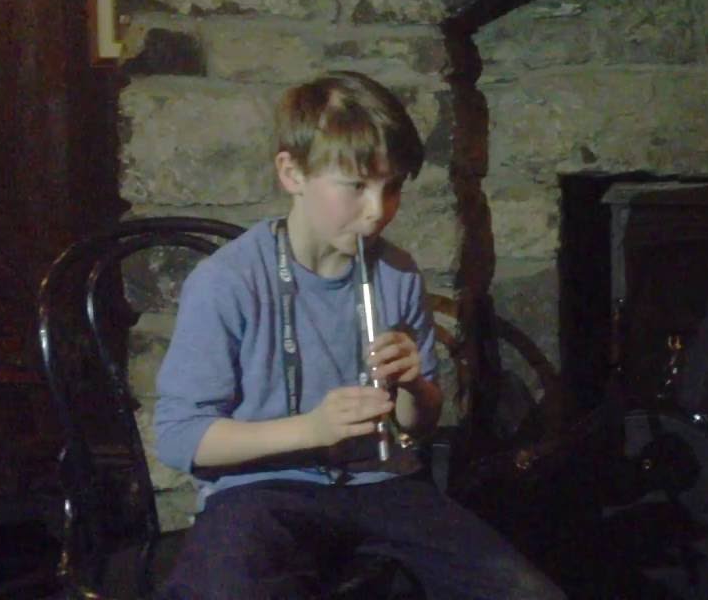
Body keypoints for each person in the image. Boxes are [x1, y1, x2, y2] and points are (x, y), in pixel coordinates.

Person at [153, 71, 565, 599]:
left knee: (525, 591)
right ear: (292, 171)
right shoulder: (227, 281)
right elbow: (181, 436)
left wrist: (416, 387)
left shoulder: (395, 273)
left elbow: (416, 429)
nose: (378, 212)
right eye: (357, 186)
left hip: (381, 483)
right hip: (262, 489)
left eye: (391, 188)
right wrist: (314, 429)